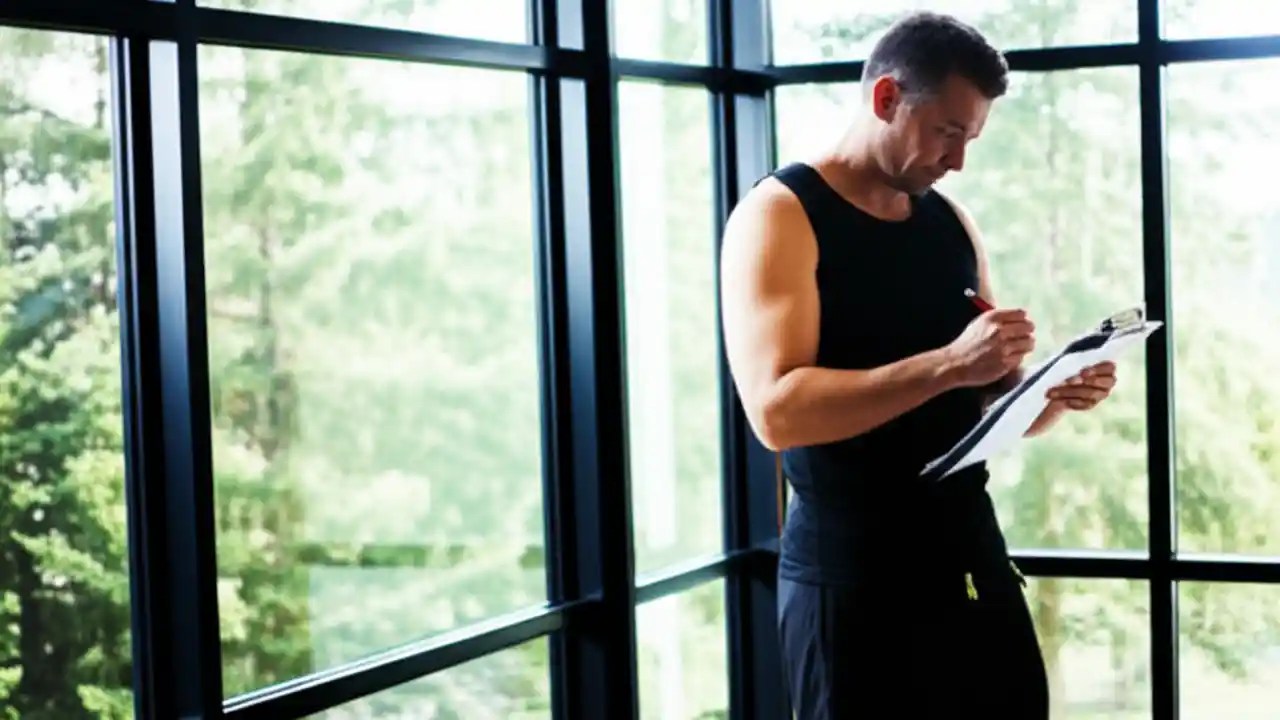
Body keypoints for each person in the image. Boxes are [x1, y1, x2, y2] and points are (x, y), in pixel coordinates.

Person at [718, 11, 1119, 719]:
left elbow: (984, 400)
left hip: (972, 562)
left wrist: (1050, 392)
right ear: (885, 99)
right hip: (852, 582)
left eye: (971, 138)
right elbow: (777, 413)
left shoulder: (950, 221)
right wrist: (946, 366)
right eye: (948, 132)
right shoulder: (780, 214)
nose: (958, 159)